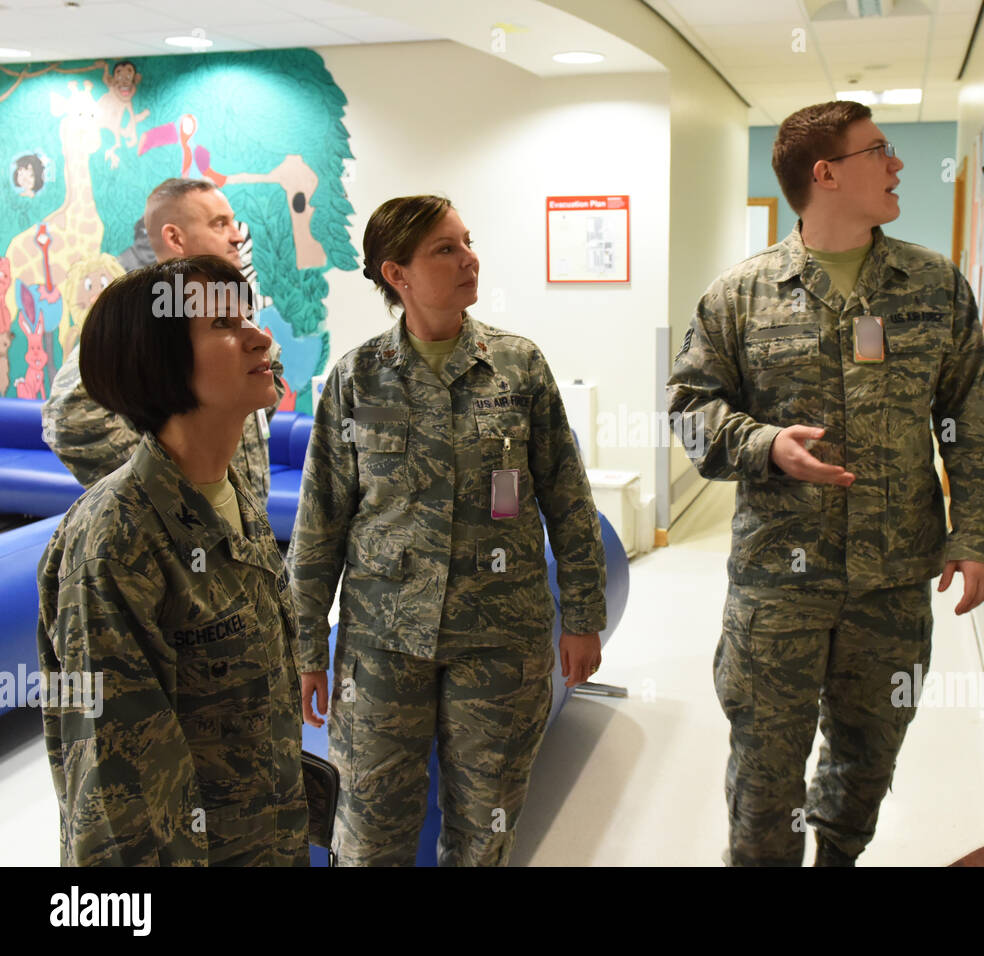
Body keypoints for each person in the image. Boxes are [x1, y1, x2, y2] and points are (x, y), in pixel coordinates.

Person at [666, 100, 984, 866]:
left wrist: (975, 533)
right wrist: (763, 445)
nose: (897, 165)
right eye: (880, 152)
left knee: (867, 762)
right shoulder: (742, 295)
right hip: (777, 588)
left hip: (892, 583)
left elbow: (969, 422)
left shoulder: (934, 287)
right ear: (825, 174)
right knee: (765, 775)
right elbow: (689, 413)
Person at [289, 195, 607, 866]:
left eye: (468, 241)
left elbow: (569, 502)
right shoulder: (356, 377)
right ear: (396, 273)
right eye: (446, 248)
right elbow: (319, 521)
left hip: (500, 635)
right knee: (369, 829)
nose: (470, 258)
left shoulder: (519, 367)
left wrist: (582, 616)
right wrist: (307, 647)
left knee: (483, 829)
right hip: (381, 642)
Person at [37, 256, 309, 866]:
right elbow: (118, 804)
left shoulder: (232, 494)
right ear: (158, 362)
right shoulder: (117, 542)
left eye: (246, 316)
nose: (259, 336)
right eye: (221, 325)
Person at [42, 178, 284, 505]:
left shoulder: (217, 300)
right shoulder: (151, 314)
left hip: (240, 521)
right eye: (219, 223)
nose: (238, 235)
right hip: (179, 535)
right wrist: (169, 490)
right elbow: (70, 416)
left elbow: (268, 375)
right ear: (174, 237)